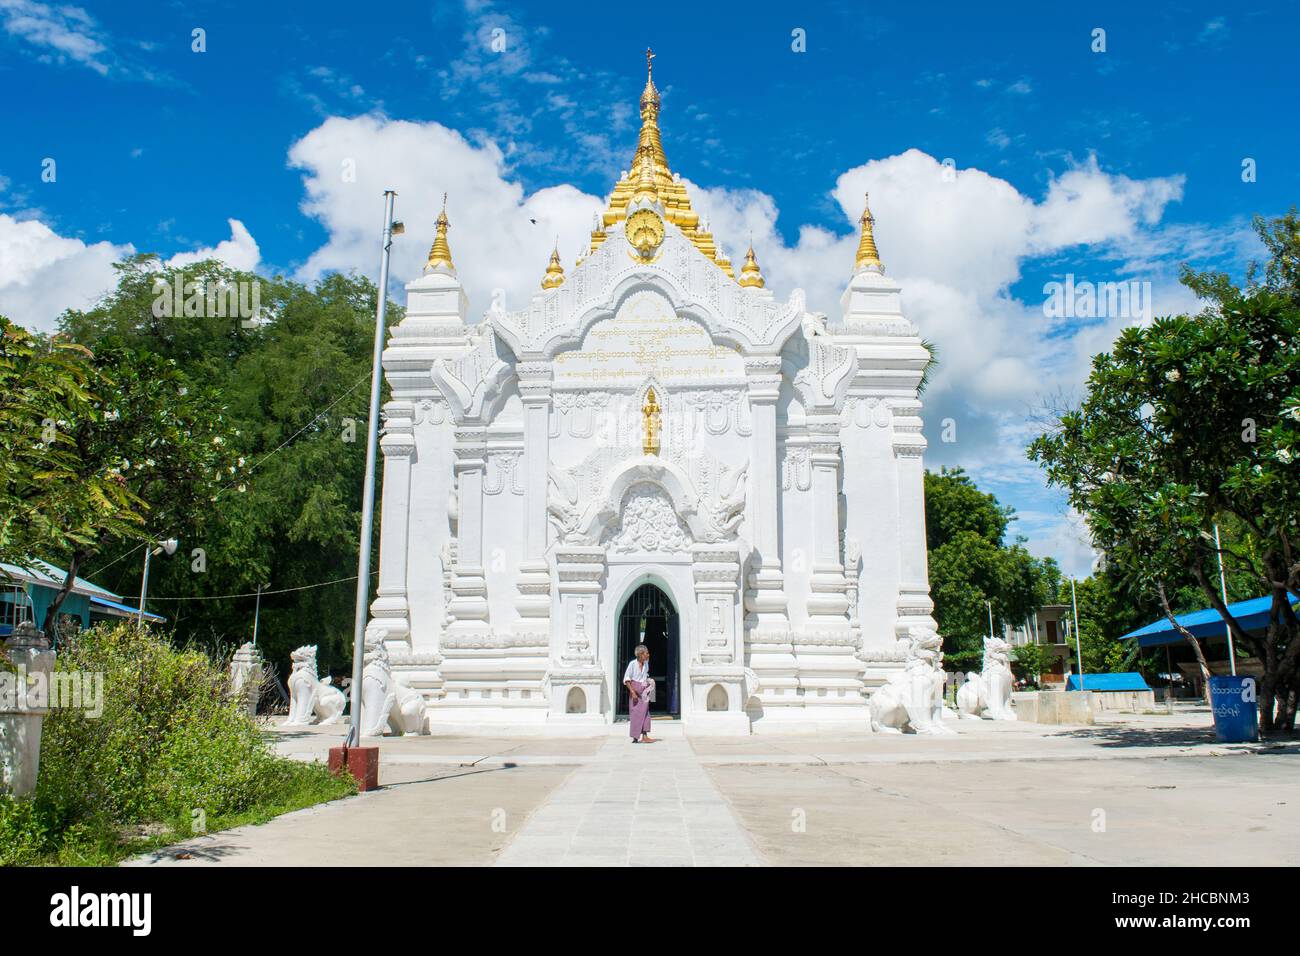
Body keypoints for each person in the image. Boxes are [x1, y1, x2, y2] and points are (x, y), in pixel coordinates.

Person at [623, 643, 656, 743]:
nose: (648, 655)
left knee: (646, 713)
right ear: (641, 654)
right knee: (635, 713)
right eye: (647, 653)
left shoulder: (646, 663)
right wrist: (632, 692)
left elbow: (645, 675)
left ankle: (645, 736)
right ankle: (635, 737)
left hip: (644, 689)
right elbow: (627, 679)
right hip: (635, 689)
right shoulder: (632, 664)